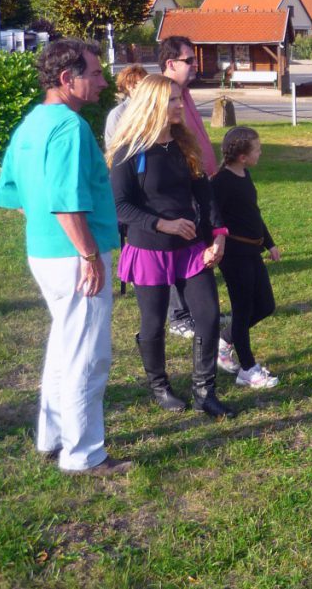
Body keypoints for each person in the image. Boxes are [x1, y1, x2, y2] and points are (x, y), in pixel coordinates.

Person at [0, 39, 130, 476]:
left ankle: (52, 436)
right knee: (87, 354)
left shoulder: (32, 122)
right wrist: (88, 254)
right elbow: (65, 203)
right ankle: (83, 453)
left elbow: (12, 192)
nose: (103, 82)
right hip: (75, 257)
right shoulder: (69, 127)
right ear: (67, 80)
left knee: (64, 345)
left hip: (45, 253)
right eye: (94, 74)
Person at [107, 75, 236, 418]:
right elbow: (119, 205)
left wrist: (218, 234)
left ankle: (204, 392)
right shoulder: (129, 151)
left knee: (207, 316)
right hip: (149, 248)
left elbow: (204, 195)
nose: (180, 105)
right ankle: (160, 387)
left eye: (179, 98)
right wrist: (161, 223)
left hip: (191, 248)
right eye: (173, 100)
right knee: (153, 322)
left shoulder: (183, 145)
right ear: (152, 104)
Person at [157, 35, 220, 339]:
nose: (195, 65)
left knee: (195, 247)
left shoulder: (186, 94)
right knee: (175, 248)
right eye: (189, 60)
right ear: (171, 63)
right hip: (178, 188)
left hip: (200, 181)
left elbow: (196, 137)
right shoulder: (161, 96)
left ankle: (196, 309)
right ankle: (178, 315)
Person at [211, 127, 281, 388]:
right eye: (257, 149)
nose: (260, 152)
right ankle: (248, 369)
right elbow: (211, 217)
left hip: (253, 250)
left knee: (265, 305)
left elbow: (253, 213)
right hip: (234, 254)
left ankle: (225, 339)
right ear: (242, 156)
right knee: (242, 310)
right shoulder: (220, 182)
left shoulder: (245, 174)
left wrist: (269, 243)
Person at [104, 64, 148, 148]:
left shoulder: (152, 109)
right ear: (129, 86)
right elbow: (112, 146)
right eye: (143, 83)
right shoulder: (118, 113)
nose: (148, 87)